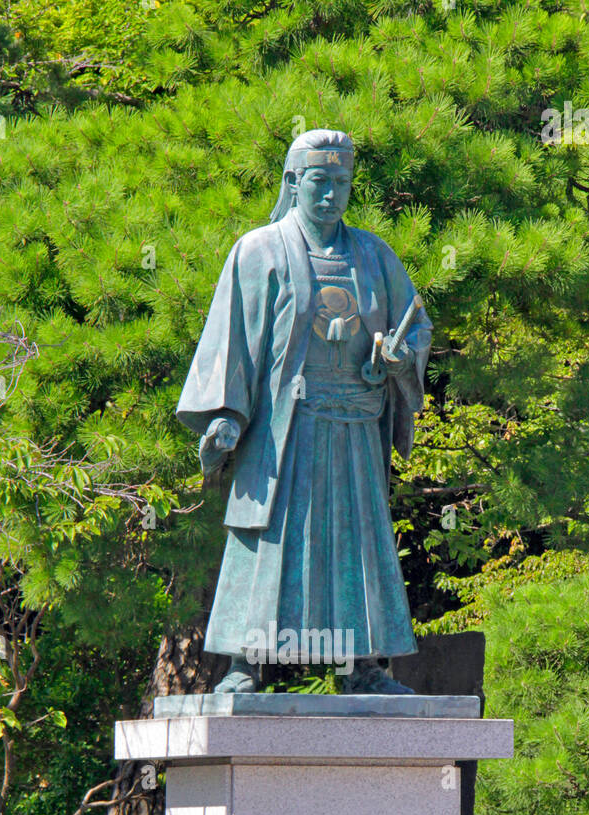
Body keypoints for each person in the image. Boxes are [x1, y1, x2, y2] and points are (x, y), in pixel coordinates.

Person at [176, 128, 432, 693]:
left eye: (342, 183)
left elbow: (416, 328)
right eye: (319, 181)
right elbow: (233, 343)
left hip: (357, 425)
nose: (331, 195)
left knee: (358, 542)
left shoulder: (373, 255)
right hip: (284, 429)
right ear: (293, 182)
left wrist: (398, 356)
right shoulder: (258, 250)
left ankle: (364, 666)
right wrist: (227, 416)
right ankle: (246, 664)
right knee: (270, 544)